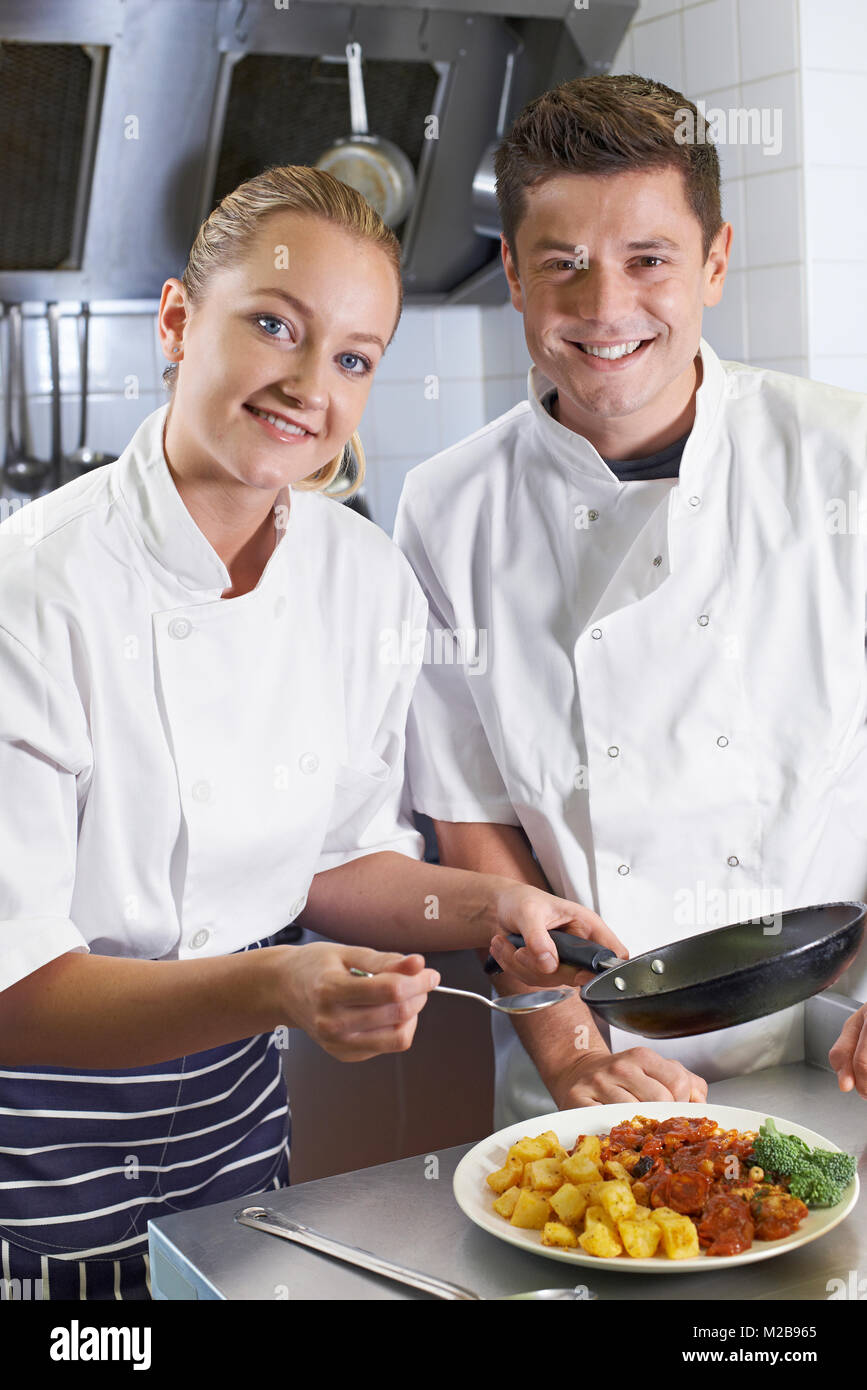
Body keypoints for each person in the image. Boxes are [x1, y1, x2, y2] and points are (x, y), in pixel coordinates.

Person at [0, 165, 626, 1299]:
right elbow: (14, 988)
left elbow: (339, 858)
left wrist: (493, 908)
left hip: (237, 1134)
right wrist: (278, 987)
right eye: (274, 326)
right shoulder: (32, 591)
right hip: (36, 1140)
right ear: (179, 321)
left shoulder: (361, 579)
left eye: (351, 357)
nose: (306, 384)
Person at [393, 73, 867, 1128]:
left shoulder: (848, 460)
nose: (605, 310)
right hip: (595, 1054)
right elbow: (472, 819)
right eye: (563, 265)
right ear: (511, 274)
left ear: (716, 261)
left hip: (841, 1036)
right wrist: (569, 1053)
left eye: (648, 261)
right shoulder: (447, 509)